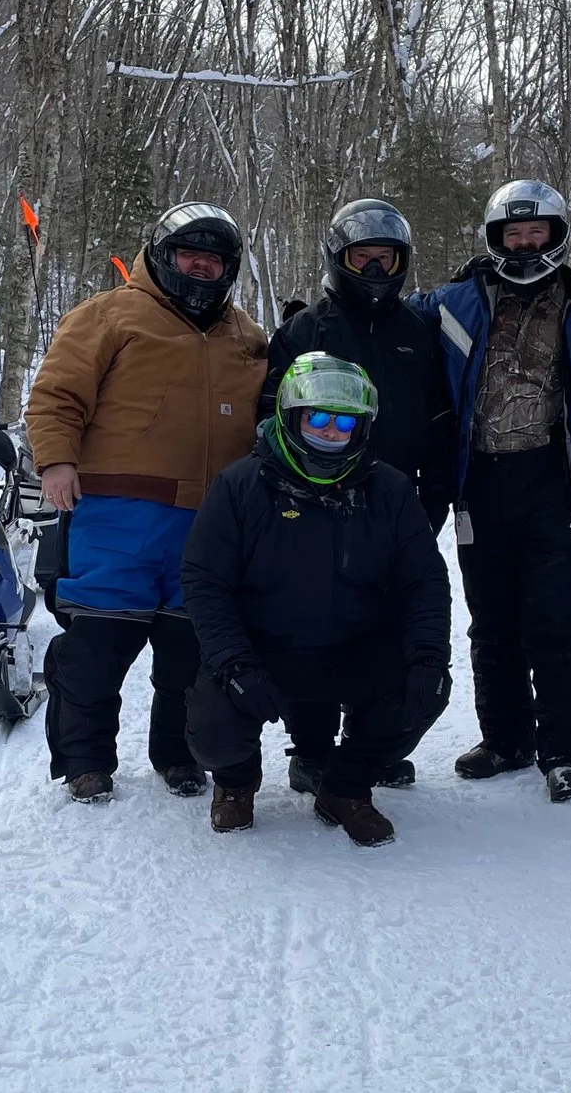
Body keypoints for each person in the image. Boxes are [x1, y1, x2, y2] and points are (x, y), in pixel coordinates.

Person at [25, 202, 268, 803]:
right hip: (117, 512)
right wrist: (55, 460)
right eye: (191, 256)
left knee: (189, 651)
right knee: (95, 650)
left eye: (214, 261)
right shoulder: (107, 315)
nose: (201, 269)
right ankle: (84, 762)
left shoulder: (247, 335)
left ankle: (176, 754)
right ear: (164, 256)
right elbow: (56, 393)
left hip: (211, 519)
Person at [181, 354, 452, 845]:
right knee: (212, 724)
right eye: (318, 418)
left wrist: (430, 655)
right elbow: (205, 582)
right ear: (292, 417)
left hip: (353, 650)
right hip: (261, 652)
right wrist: (233, 664)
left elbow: (424, 581)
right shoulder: (239, 487)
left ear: (362, 427)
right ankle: (237, 783)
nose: (330, 431)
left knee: (422, 689)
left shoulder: (390, 491)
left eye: (344, 421)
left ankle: (345, 787)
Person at [415, 180, 571, 803]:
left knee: (554, 619)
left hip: (550, 479)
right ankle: (505, 737)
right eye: (513, 234)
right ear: (495, 240)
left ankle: (566, 750)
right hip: (480, 480)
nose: (524, 243)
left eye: (535, 232)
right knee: (490, 621)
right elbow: (386, 322)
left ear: (556, 234)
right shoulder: (455, 302)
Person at [258, 198, 456, 795]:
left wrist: (437, 494)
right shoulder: (304, 329)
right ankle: (311, 746)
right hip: (312, 502)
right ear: (338, 260)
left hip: (395, 506)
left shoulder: (421, 331)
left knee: (388, 624)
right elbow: (267, 416)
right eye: (361, 258)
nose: (373, 271)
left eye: (385, 259)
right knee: (313, 621)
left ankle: (373, 744)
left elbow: (442, 416)